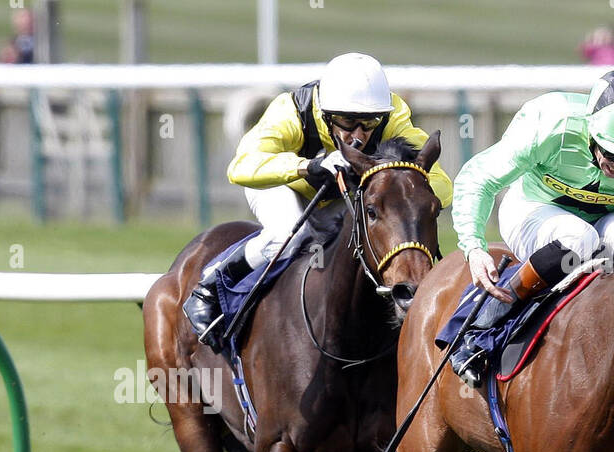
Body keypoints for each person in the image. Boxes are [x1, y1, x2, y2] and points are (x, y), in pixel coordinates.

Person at [448, 68, 614, 387]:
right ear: (591, 130)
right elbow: (478, 179)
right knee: (579, 238)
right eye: (611, 152)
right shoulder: (549, 124)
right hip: (533, 208)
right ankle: (482, 328)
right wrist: (474, 247)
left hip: (608, 220)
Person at [184, 52, 453, 350]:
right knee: (291, 234)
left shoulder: (392, 116)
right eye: (347, 121)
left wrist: (397, 187)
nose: (359, 134)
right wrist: (307, 166)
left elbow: (440, 183)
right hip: (283, 184)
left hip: (344, 194)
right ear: (325, 114)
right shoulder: (290, 111)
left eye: (369, 122)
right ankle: (211, 286)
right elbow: (241, 167)